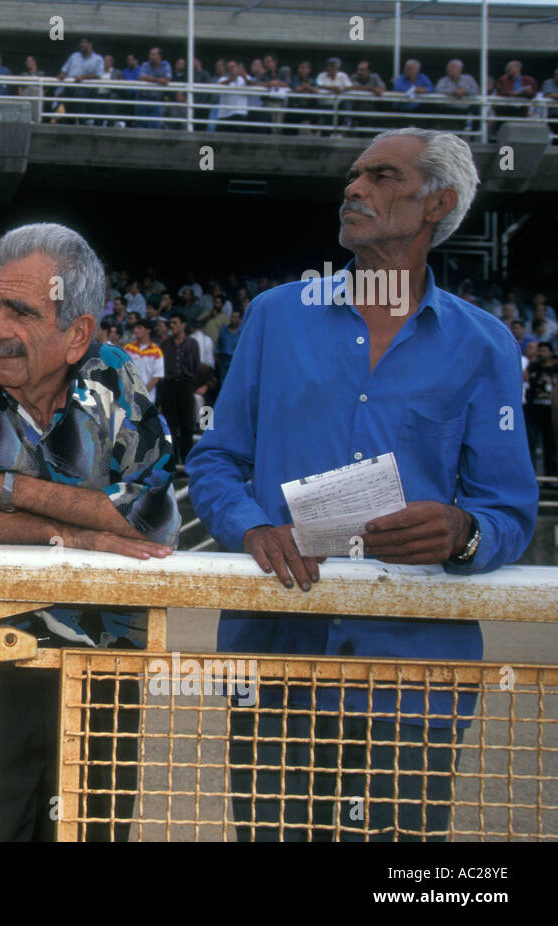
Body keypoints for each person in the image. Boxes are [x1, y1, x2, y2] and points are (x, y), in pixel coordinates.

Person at [186, 128, 538, 841]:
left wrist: (462, 532)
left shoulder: (486, 344)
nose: (353, 189)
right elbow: (215, 461)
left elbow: (509, 508)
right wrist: (252, 527)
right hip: (278, 664)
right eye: (353, 176)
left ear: (437, 202)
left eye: (381, 177)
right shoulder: (274, 318)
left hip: (414, 683)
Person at [0, 222, 178, 842]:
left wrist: (6, 491)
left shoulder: (116, 382)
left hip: (102, 676)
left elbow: (154, 519)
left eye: (20, 311)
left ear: (76, 334)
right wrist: (68, 531)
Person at [159, 313, 199, 464]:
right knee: (170, 424)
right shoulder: (165, 344)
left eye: (175, 323)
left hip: (186, 384)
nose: (172, 326)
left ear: (183, 325)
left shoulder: (192, 343)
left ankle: (187, 460)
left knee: (186, 424)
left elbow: (195, 365)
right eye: (171, 324)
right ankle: (172, 461)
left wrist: (190, 382)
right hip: (169, 385)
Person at [525, 342, 557, 475]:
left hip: (551, 413)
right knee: (531, 444)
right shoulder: (532, 367)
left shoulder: (556, 369)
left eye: (544, 351)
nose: (541, 353)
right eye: (539, 350)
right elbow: (524, 379)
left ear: (550, 353)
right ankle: (531, 475)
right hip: (533, 411)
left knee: (551, 445)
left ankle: (552, 476)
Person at [123, 319, 164, 403]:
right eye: (135, 328)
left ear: (148, 331)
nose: (135, 330)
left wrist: (142, 394)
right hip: (128, 396)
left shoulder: (156, 351)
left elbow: (156, 377)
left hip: (148, 398)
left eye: (139, 328)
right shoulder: (128, 348)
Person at [215, 305, 243, 383]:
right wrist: (217, 357)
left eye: (235, 317)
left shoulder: (243, 332)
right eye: (231, 316)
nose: (232, 319)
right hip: (224, 359)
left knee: (235, 382)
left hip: (236, 360)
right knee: (222, 382)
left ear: (239, 319)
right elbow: (218, 344)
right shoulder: (223, 330)